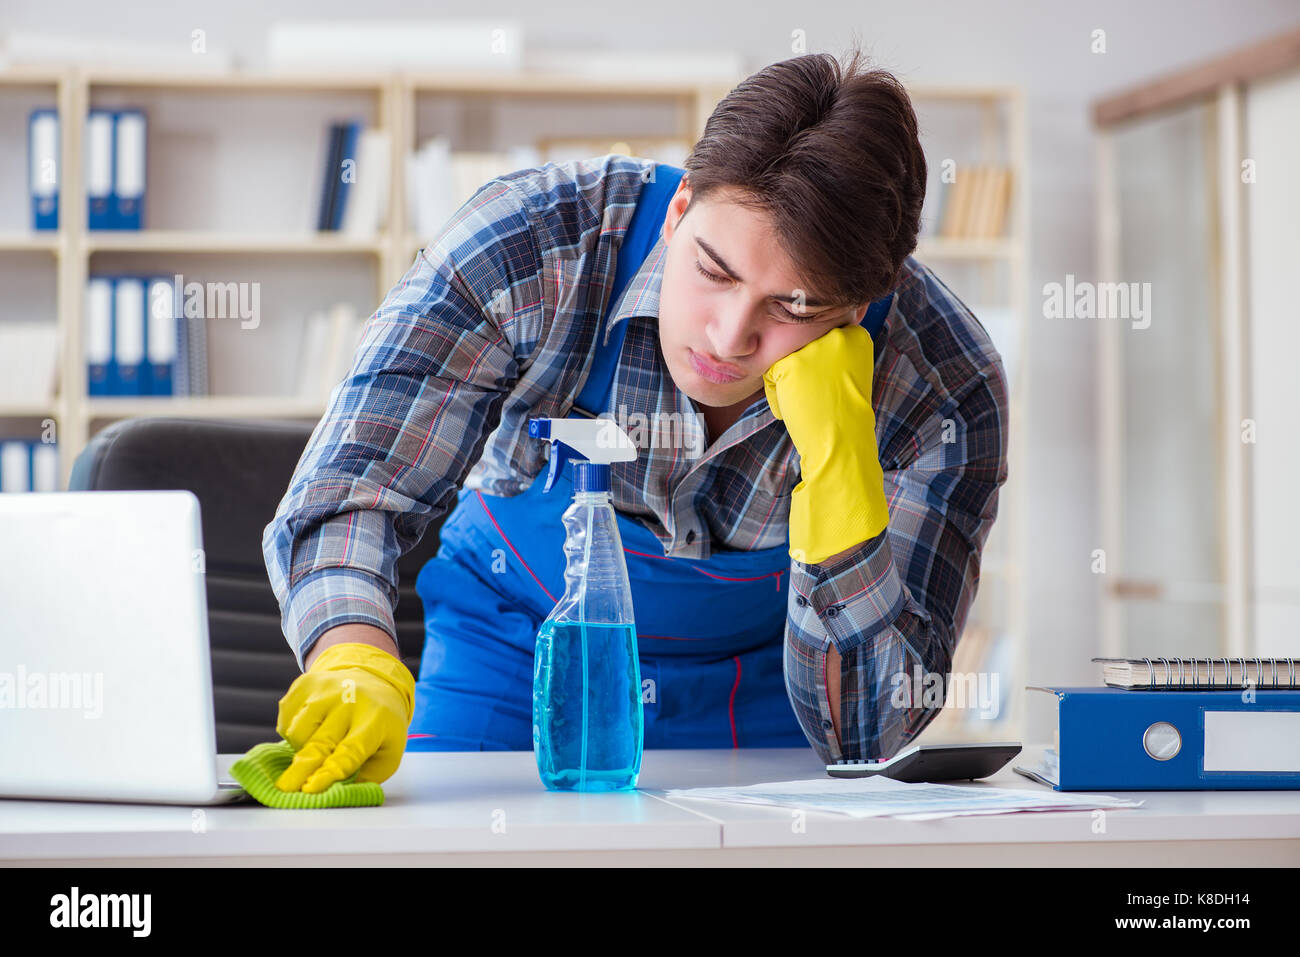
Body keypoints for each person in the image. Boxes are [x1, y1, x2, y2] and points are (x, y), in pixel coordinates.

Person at [262, 46, 1010, 794]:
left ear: (860, 304)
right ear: (680, 209)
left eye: (795, 306)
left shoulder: (943, 381)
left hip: (769, 688)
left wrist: (843, 467)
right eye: (714, 272)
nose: (728, 337)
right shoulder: (531, 244)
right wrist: (351, 655)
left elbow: (875, 733)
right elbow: (353, 491)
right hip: (514, 651)